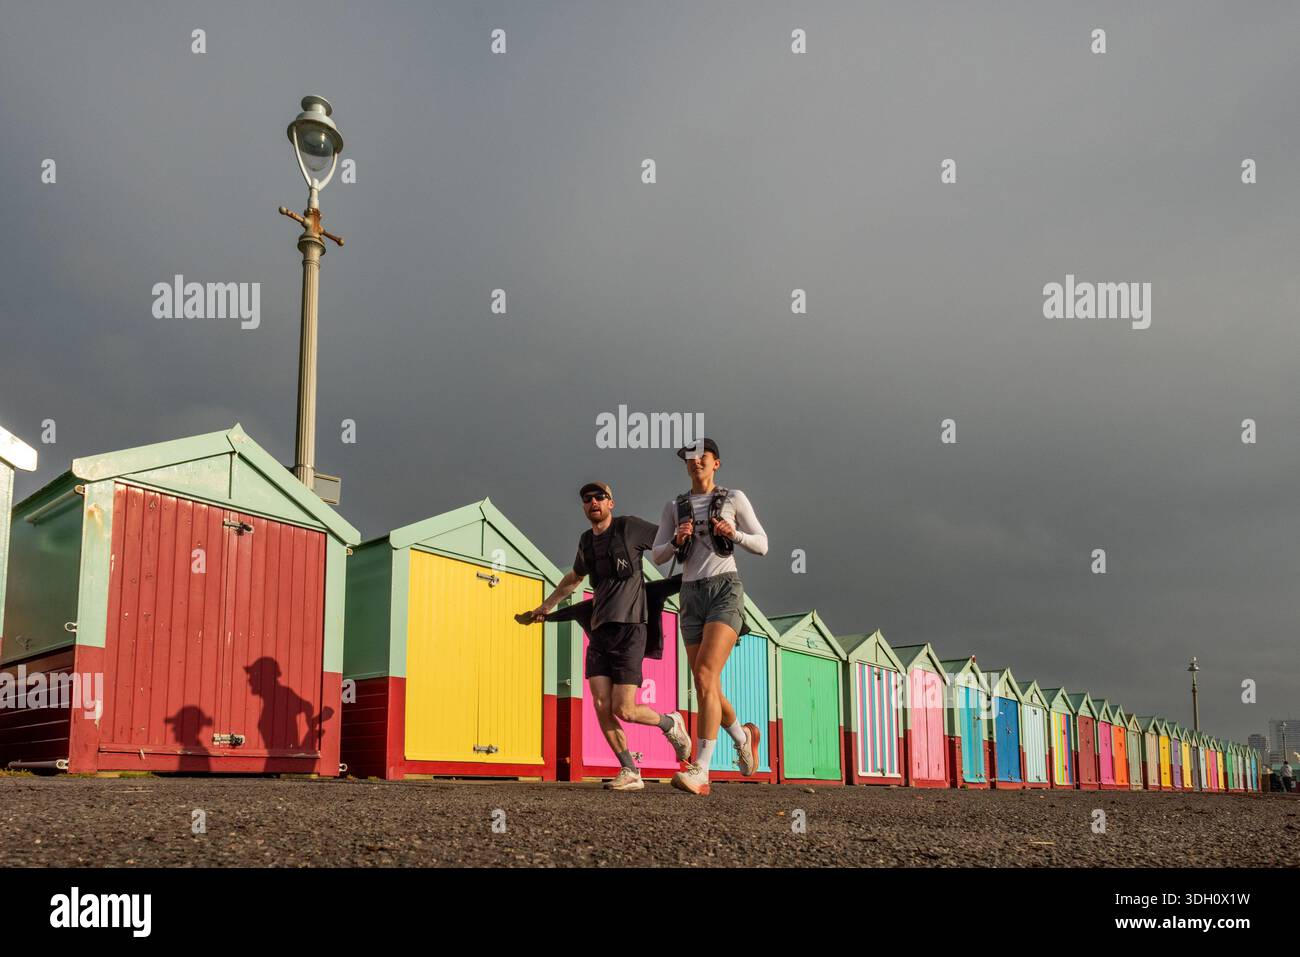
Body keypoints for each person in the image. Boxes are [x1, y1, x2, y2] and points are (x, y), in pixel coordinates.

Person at [526, 482, 691, 791]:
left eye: (599, 497)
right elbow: (574, 579)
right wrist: (546, 606)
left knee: (625, 709)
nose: (593, 502)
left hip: (631, 628)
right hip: (600, 631)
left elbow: (666, 544)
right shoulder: (586, 542)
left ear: (611, 503)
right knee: (601, 703)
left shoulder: (629, 527)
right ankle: (630, 770)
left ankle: (671, 723)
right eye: (587, 499)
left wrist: (683, 540)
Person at [652, 438, 768, 795]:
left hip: (724, 589)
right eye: (689, 458)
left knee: (704, 674)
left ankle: (701, 769)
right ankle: (743, 735)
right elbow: (656, 556)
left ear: (716, 462)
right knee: (709, 685)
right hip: (690, 594)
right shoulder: (675, 506)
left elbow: (763, 544)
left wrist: (734, 533)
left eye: (702, 456)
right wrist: (675, 541)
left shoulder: (734, 498)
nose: (695, 461)